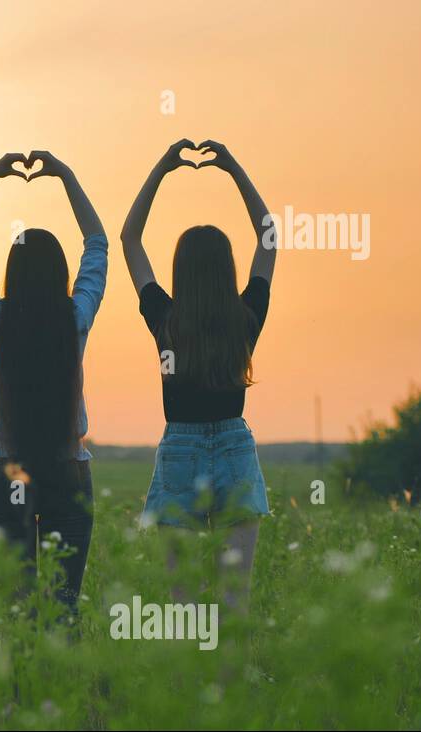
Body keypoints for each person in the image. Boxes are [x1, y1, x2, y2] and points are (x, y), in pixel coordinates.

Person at [120, 138, 277, 607]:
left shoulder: (166, 320)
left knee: (182, 601)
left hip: (181, 450)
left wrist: (161, 169)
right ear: (227, 270)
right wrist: (233, 167)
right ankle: (231, 682)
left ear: (180, 271)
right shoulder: (245, 318)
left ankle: (190, 682)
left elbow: (130, 238)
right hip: (234, 449)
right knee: (235, 601)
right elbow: (267, 233)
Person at [0, 150, 107, 616]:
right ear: (60, 274)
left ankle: (20, 691)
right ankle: (60, 690)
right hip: (67, 470)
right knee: (64, 610)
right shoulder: (75, 318)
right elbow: (97, 244)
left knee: (17, 613)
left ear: (13, 273)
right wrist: (66, 175)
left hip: (6, 473)